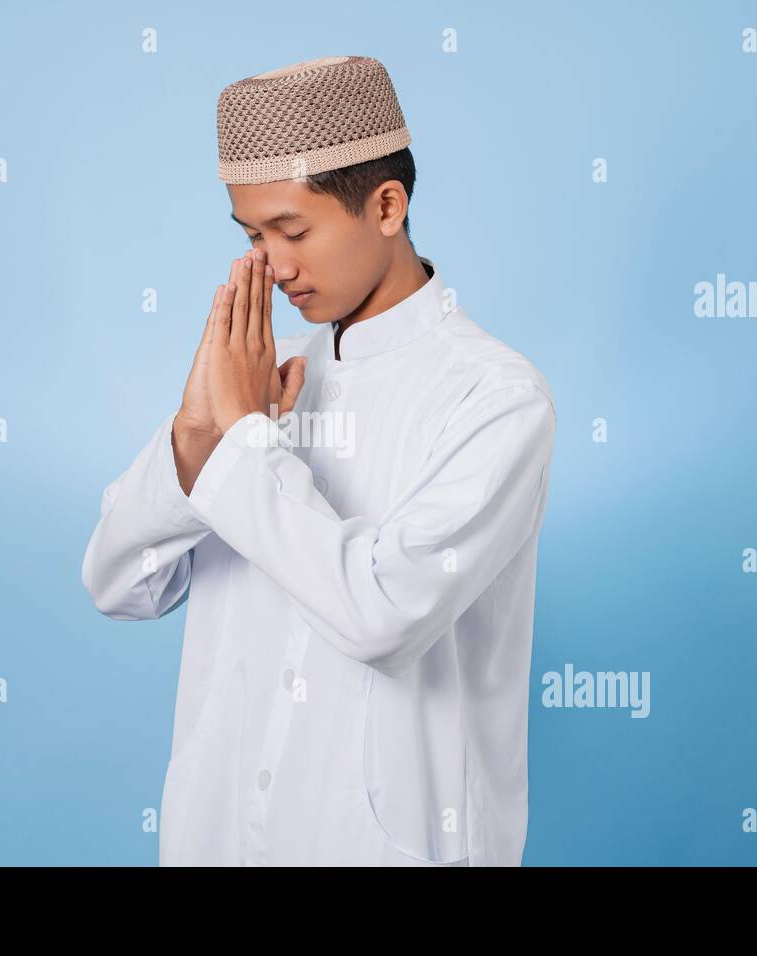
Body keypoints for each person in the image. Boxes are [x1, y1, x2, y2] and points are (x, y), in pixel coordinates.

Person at [81, 55, 557, 866]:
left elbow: (381, 616)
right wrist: (198, 435)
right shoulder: (262, 378)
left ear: (386, 205)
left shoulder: (498, 399)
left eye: (294, 231)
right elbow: (117, 585)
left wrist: (245, 444)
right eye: (253, 237)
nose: (276, 267)